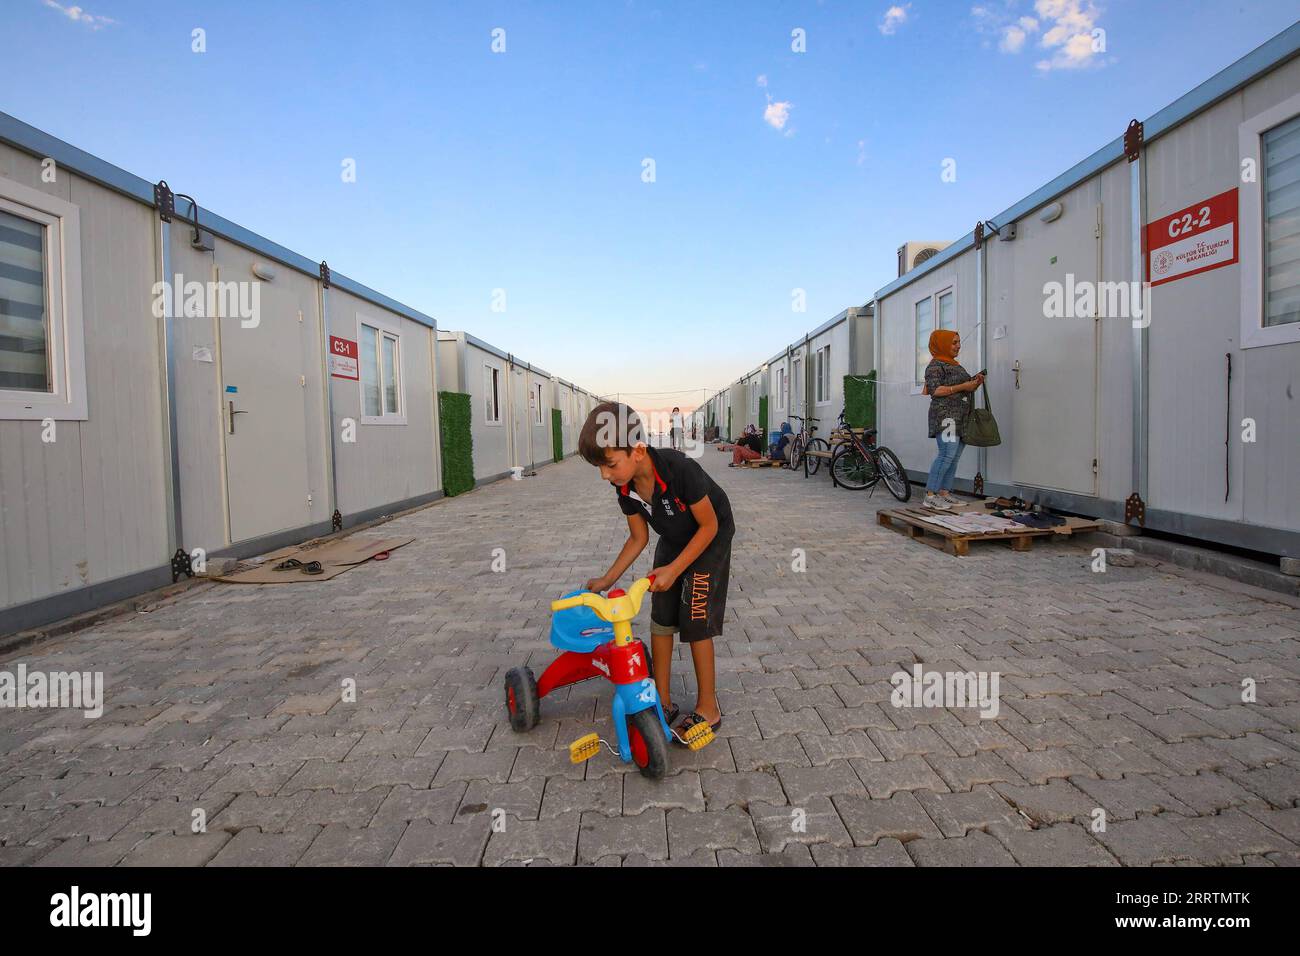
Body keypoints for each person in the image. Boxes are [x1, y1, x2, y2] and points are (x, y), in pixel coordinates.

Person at [578, 401, 731, 741]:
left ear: (638, 450)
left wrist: (676, 570)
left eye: (609, 464)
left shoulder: (679, 469)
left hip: (710, 536)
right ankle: (661, 700)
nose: (604, 474)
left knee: (694, 614)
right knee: (661, 614)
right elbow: (639, 537)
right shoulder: (625, 487)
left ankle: (709, 707)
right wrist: (607, 580)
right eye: (598, 467)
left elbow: (708, 527)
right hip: (675, 539)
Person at [922, 329, 983, 510]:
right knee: (946, 454)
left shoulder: (955, 365)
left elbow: (960, 388)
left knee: (954, 457)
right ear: (942, 344)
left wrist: (974, 382)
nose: (958, 346)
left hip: (960, 417)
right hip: (946, 417)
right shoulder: (935, 366)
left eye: (958, 342)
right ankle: (930, 495)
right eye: (954, 342)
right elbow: (936, 390)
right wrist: (964, 385)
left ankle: (944, 493)